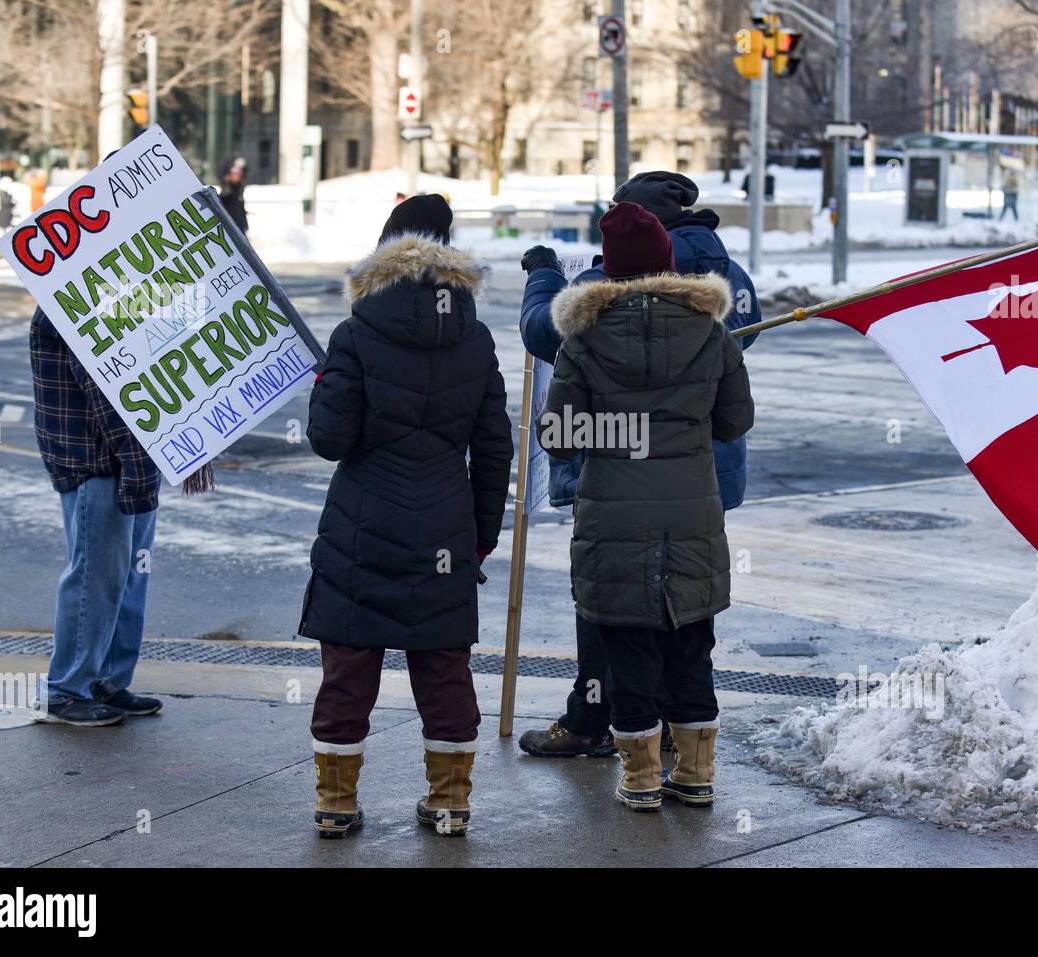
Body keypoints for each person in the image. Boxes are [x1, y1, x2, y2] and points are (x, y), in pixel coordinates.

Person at [515, 170, 760, 758]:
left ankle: (598, 722)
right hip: (700, 477)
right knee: (686, 604)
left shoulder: (611, 281)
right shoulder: (726, 278)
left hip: (619, 484)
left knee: (614, 604)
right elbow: (735, 389)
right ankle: (683, 732)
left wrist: (544, 277)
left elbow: (544, 336)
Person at [300, 194, 512, 839]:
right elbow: (494, 447)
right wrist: (478, 539)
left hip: (360, 524)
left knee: (350, 666)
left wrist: (327, 386)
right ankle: (449, 802)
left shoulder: (356, 333)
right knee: (444, 666)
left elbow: (330, 439)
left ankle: (337, 804)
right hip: (445, 524)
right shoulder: (473, 337)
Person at [30, 310, 168, 726]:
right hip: (98, 462)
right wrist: (143, 466)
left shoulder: (110, 303)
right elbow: (112, 394)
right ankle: (66, 690)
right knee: (96, 577)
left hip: (127, 459)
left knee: (126, 577)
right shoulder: (72, 304)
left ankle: (104, 681)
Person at [218, 158, 249, 234]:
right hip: (229, 226)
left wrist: (245, 224)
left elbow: (241, 209)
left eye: (238, 175)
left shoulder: (239, 190)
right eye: (234, 175)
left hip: (240, 225)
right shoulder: (226, 190)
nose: (236, 177)